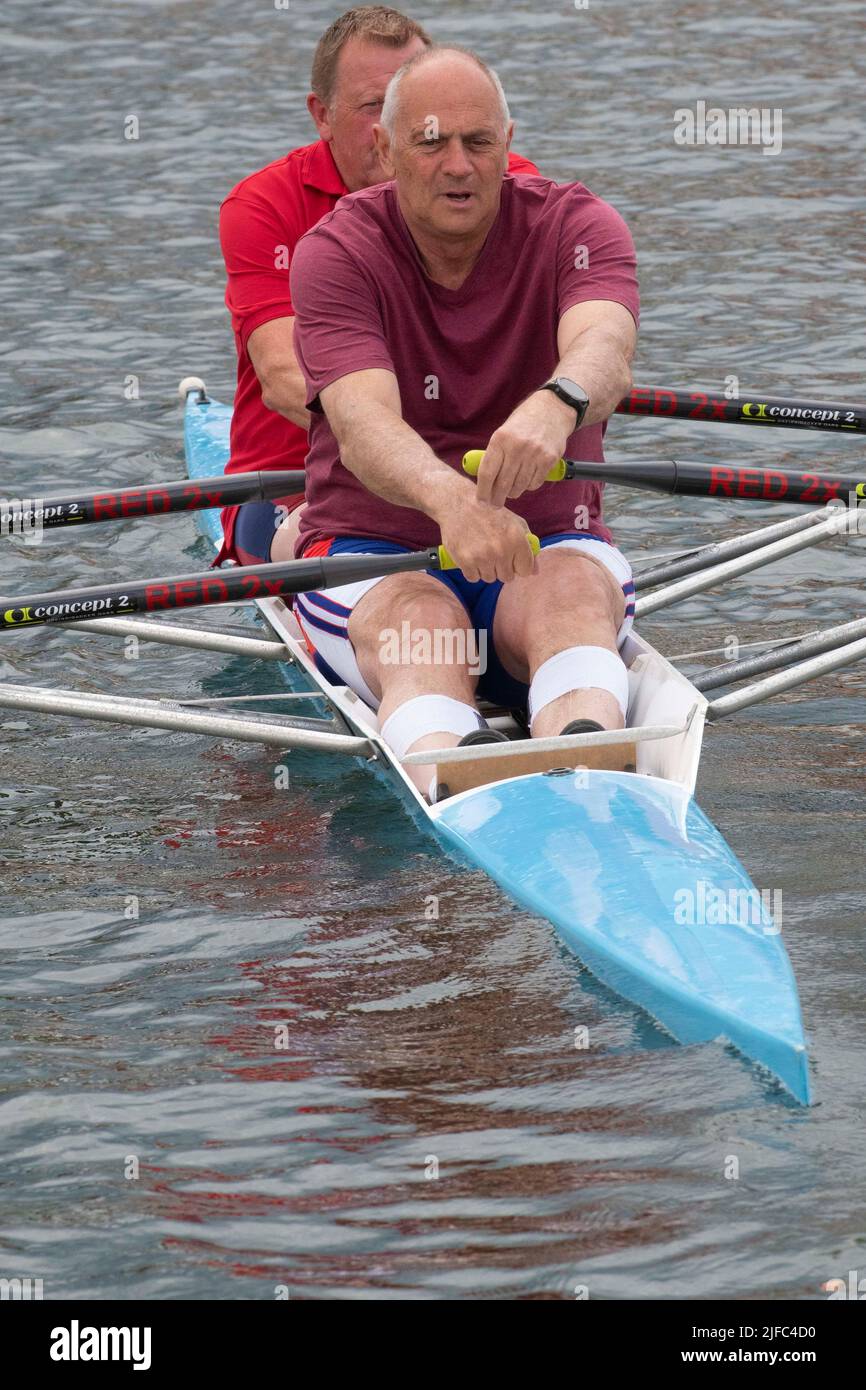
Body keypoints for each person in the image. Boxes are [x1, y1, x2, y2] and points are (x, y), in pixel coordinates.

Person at [289, 45, 639, 800]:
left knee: (568, 594)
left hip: (544, 544)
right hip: (375, 549)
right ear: (385, 149)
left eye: (479, 143)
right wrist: (454, 505)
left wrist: (559, 402)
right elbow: (362, 421)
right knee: (424, 622)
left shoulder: (578, 224)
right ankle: (460, 770)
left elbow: (606, 346)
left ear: (507, 142)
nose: (459, 165)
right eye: (432, 142)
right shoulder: (337, 253)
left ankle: (592, 767)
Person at [218, 6, 538, 567]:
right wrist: (410, 461)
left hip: (469, 475)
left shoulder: (510, 185)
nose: (399, 124)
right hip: (300, 478)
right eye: (375, 105)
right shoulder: (264, 206)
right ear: (322, 115)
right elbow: (285, 377)